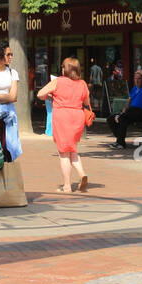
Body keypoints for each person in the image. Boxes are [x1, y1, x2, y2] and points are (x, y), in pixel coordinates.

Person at [38, 57, 92, 193]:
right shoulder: (82, 84)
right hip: (77, 117)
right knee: (72, 149)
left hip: (62, 117)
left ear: (65, 68)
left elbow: (40, 94)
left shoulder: (58, 81)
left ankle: (67, 185)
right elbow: (86, 101)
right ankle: (81, 174)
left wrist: (51, 96)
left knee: (63, 153)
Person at [0, 39, 22, 161]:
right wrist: (5, 98)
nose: (10, 57)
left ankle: (7, 177)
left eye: (11, 54)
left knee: (8, 148)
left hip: (8, 117)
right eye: (8, 54)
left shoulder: (13, 73)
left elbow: (14, 97)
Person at [111, 68, 142, 148]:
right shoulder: (134, 88)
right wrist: (123, 111)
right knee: (111, 118)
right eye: (135, 78)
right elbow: (129, 101)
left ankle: (120, 143)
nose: (137, 80)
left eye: (139, 78)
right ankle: (119, 138)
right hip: (131, 112)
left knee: (122, 118)